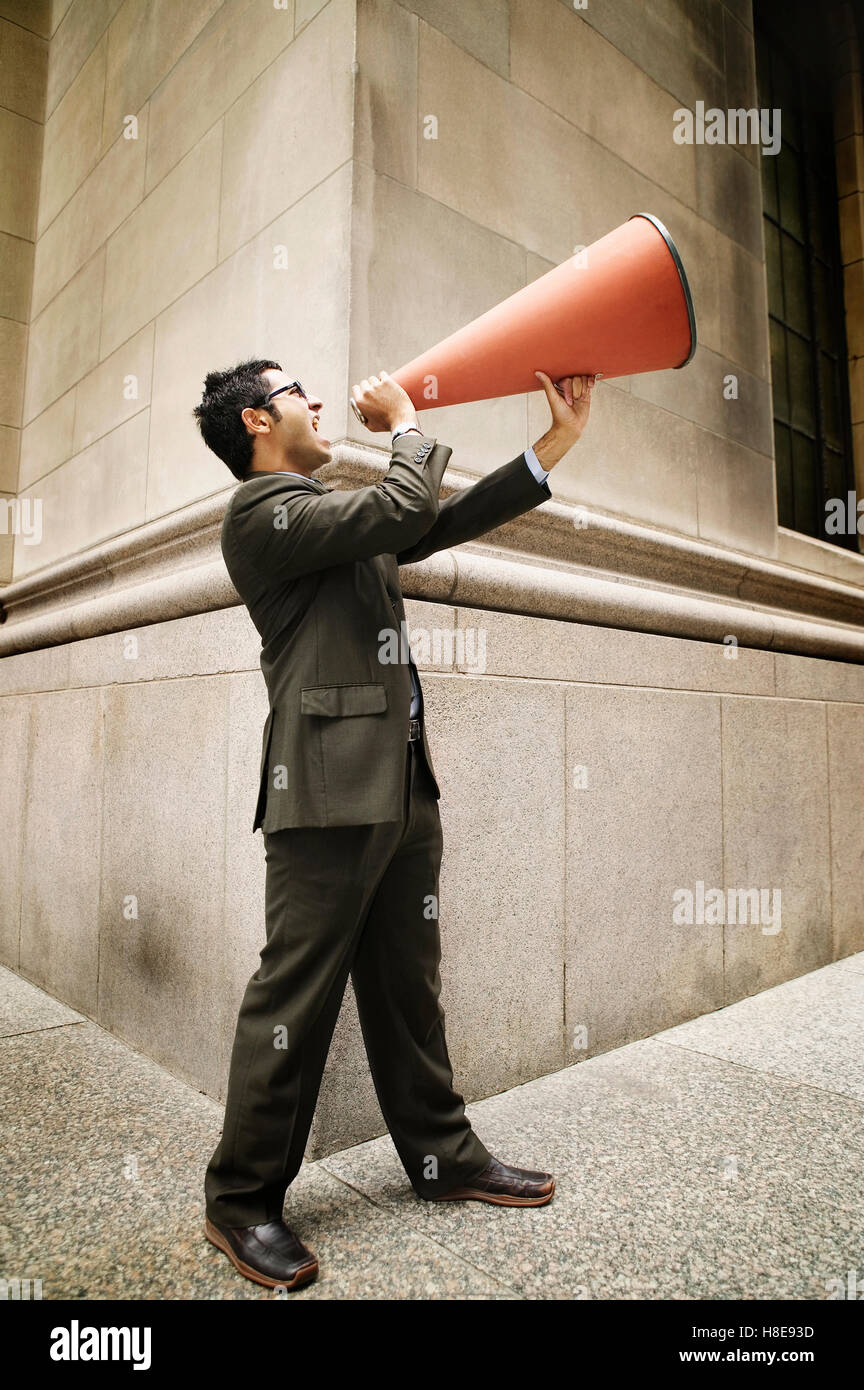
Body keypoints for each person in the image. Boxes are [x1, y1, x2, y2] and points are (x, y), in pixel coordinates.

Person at [192, 360, 594, 1290]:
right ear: (257, 419)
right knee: (294, 997)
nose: (322, 402)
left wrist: (553, 446)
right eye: (298, 391)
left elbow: (432, 519)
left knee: (408, 985)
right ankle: (240, 1202)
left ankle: (441, 1158)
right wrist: (405, 425)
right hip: (326, 790)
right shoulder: (265, 513)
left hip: (402, 784)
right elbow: (404, 504)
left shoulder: (337, 520)